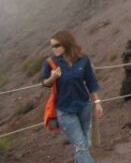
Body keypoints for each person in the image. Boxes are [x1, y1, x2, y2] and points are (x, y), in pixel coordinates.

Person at [41, 30, 103, 163]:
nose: (54, 49)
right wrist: (53, 77)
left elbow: (91, 81)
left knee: (84, 144)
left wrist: (97, 102)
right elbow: (45, 83)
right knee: (81, 145)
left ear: (66, 43)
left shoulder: (83, 60)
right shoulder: (51, 63)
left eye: (56, 45)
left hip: (84, 106)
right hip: (65, 110)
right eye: (52, 46)